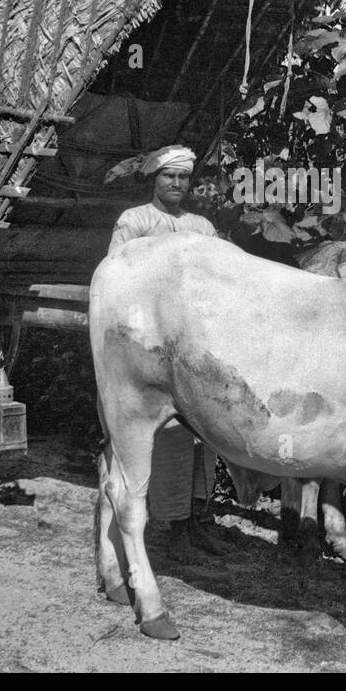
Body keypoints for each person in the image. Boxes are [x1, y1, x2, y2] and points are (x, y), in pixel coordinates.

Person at [106, 144, 226, 561]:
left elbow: (221, 279)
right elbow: (116, 278)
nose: (176, 184)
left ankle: (198, 520)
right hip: (151, 345)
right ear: (154, 179)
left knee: (207, 433)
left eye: (183, 177)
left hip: (198, 345)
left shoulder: (201, 226)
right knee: (171, 437)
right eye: (168, 176)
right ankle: (172, 529)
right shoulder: (135, 221)